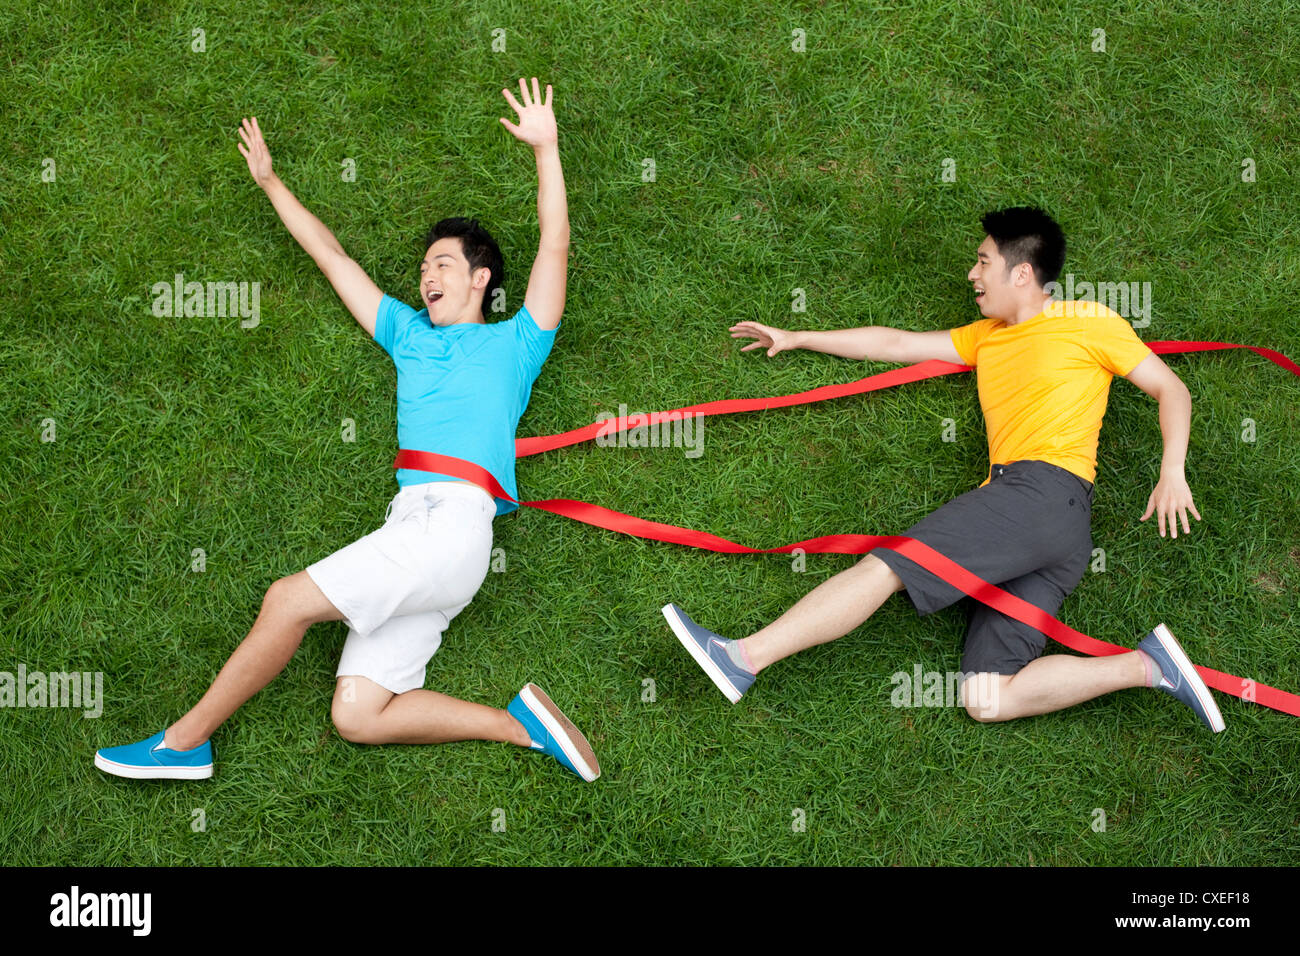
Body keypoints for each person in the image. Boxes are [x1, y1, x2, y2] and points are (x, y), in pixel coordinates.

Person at [96, 78, 599, 782]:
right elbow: (334, 258)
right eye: (424, 267)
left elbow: (555, 245)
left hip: (451, 524)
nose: (427, 275)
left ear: (482, 279)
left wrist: (546, 148)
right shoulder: (407, 334)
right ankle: (516, 726)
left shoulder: (519, 341)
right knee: (358, 714)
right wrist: (271, 184)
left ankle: (184, 743)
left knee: (286, 601)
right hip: (423, 535)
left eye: (444, 265)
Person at [663, 206, 1223, 733]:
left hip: (1037, 491)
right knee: (987, 698)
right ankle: (1146, 667)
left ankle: (742, 658)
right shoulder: (987, 339)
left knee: (888, 567)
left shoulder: (1088, 321)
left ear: (1022, 272)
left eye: (983, 261)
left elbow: (1169, 387)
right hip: (1061, 528)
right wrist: (799, 336)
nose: (972, 273)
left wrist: (1172, 469)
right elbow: (895, 343)